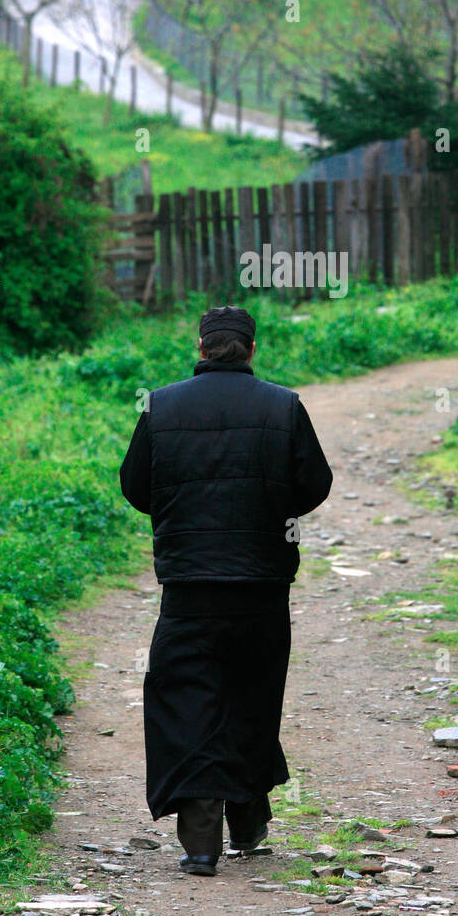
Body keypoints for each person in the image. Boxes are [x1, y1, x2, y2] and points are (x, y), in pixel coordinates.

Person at [119, 305, 333, 876]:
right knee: (253, 699)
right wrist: (271, 507)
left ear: (200, 345)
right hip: (262, 584)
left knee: (187, 699)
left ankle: (200, 845)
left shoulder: (160, 406)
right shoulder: (283, 405)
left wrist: (183, 510)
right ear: (252, 349)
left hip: (188, 587)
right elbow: (316, 483)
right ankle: (249, 823)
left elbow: (136, 485)